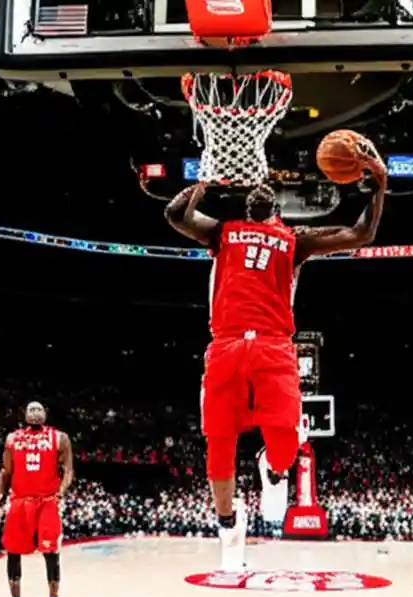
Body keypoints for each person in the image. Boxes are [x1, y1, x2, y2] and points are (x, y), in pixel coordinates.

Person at [165, 151, 388, 570]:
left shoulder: (295, 239)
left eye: (267, 190)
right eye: (253, 190)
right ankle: (230, 528)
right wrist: (205, 182)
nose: (260, 191)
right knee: (219, 444)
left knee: (287, 436)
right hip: (227, 344)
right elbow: (176, 214)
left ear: (277, 209)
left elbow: (361, 234)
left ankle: (272, 465)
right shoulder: (223, 232)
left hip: (274, 345)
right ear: (246, 204)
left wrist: (379, 186)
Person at [0, 401, 73, 597]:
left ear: (46, 414)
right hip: (20, 501)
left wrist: (60, 492)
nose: (36, 412)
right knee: (13, 550)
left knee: (51, 553)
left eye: (40, 409)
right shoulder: (13, 438)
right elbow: (6, 470)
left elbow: (68, 470)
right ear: (25, 414)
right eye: (32, 409)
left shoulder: (59, 437)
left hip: (46, 501)